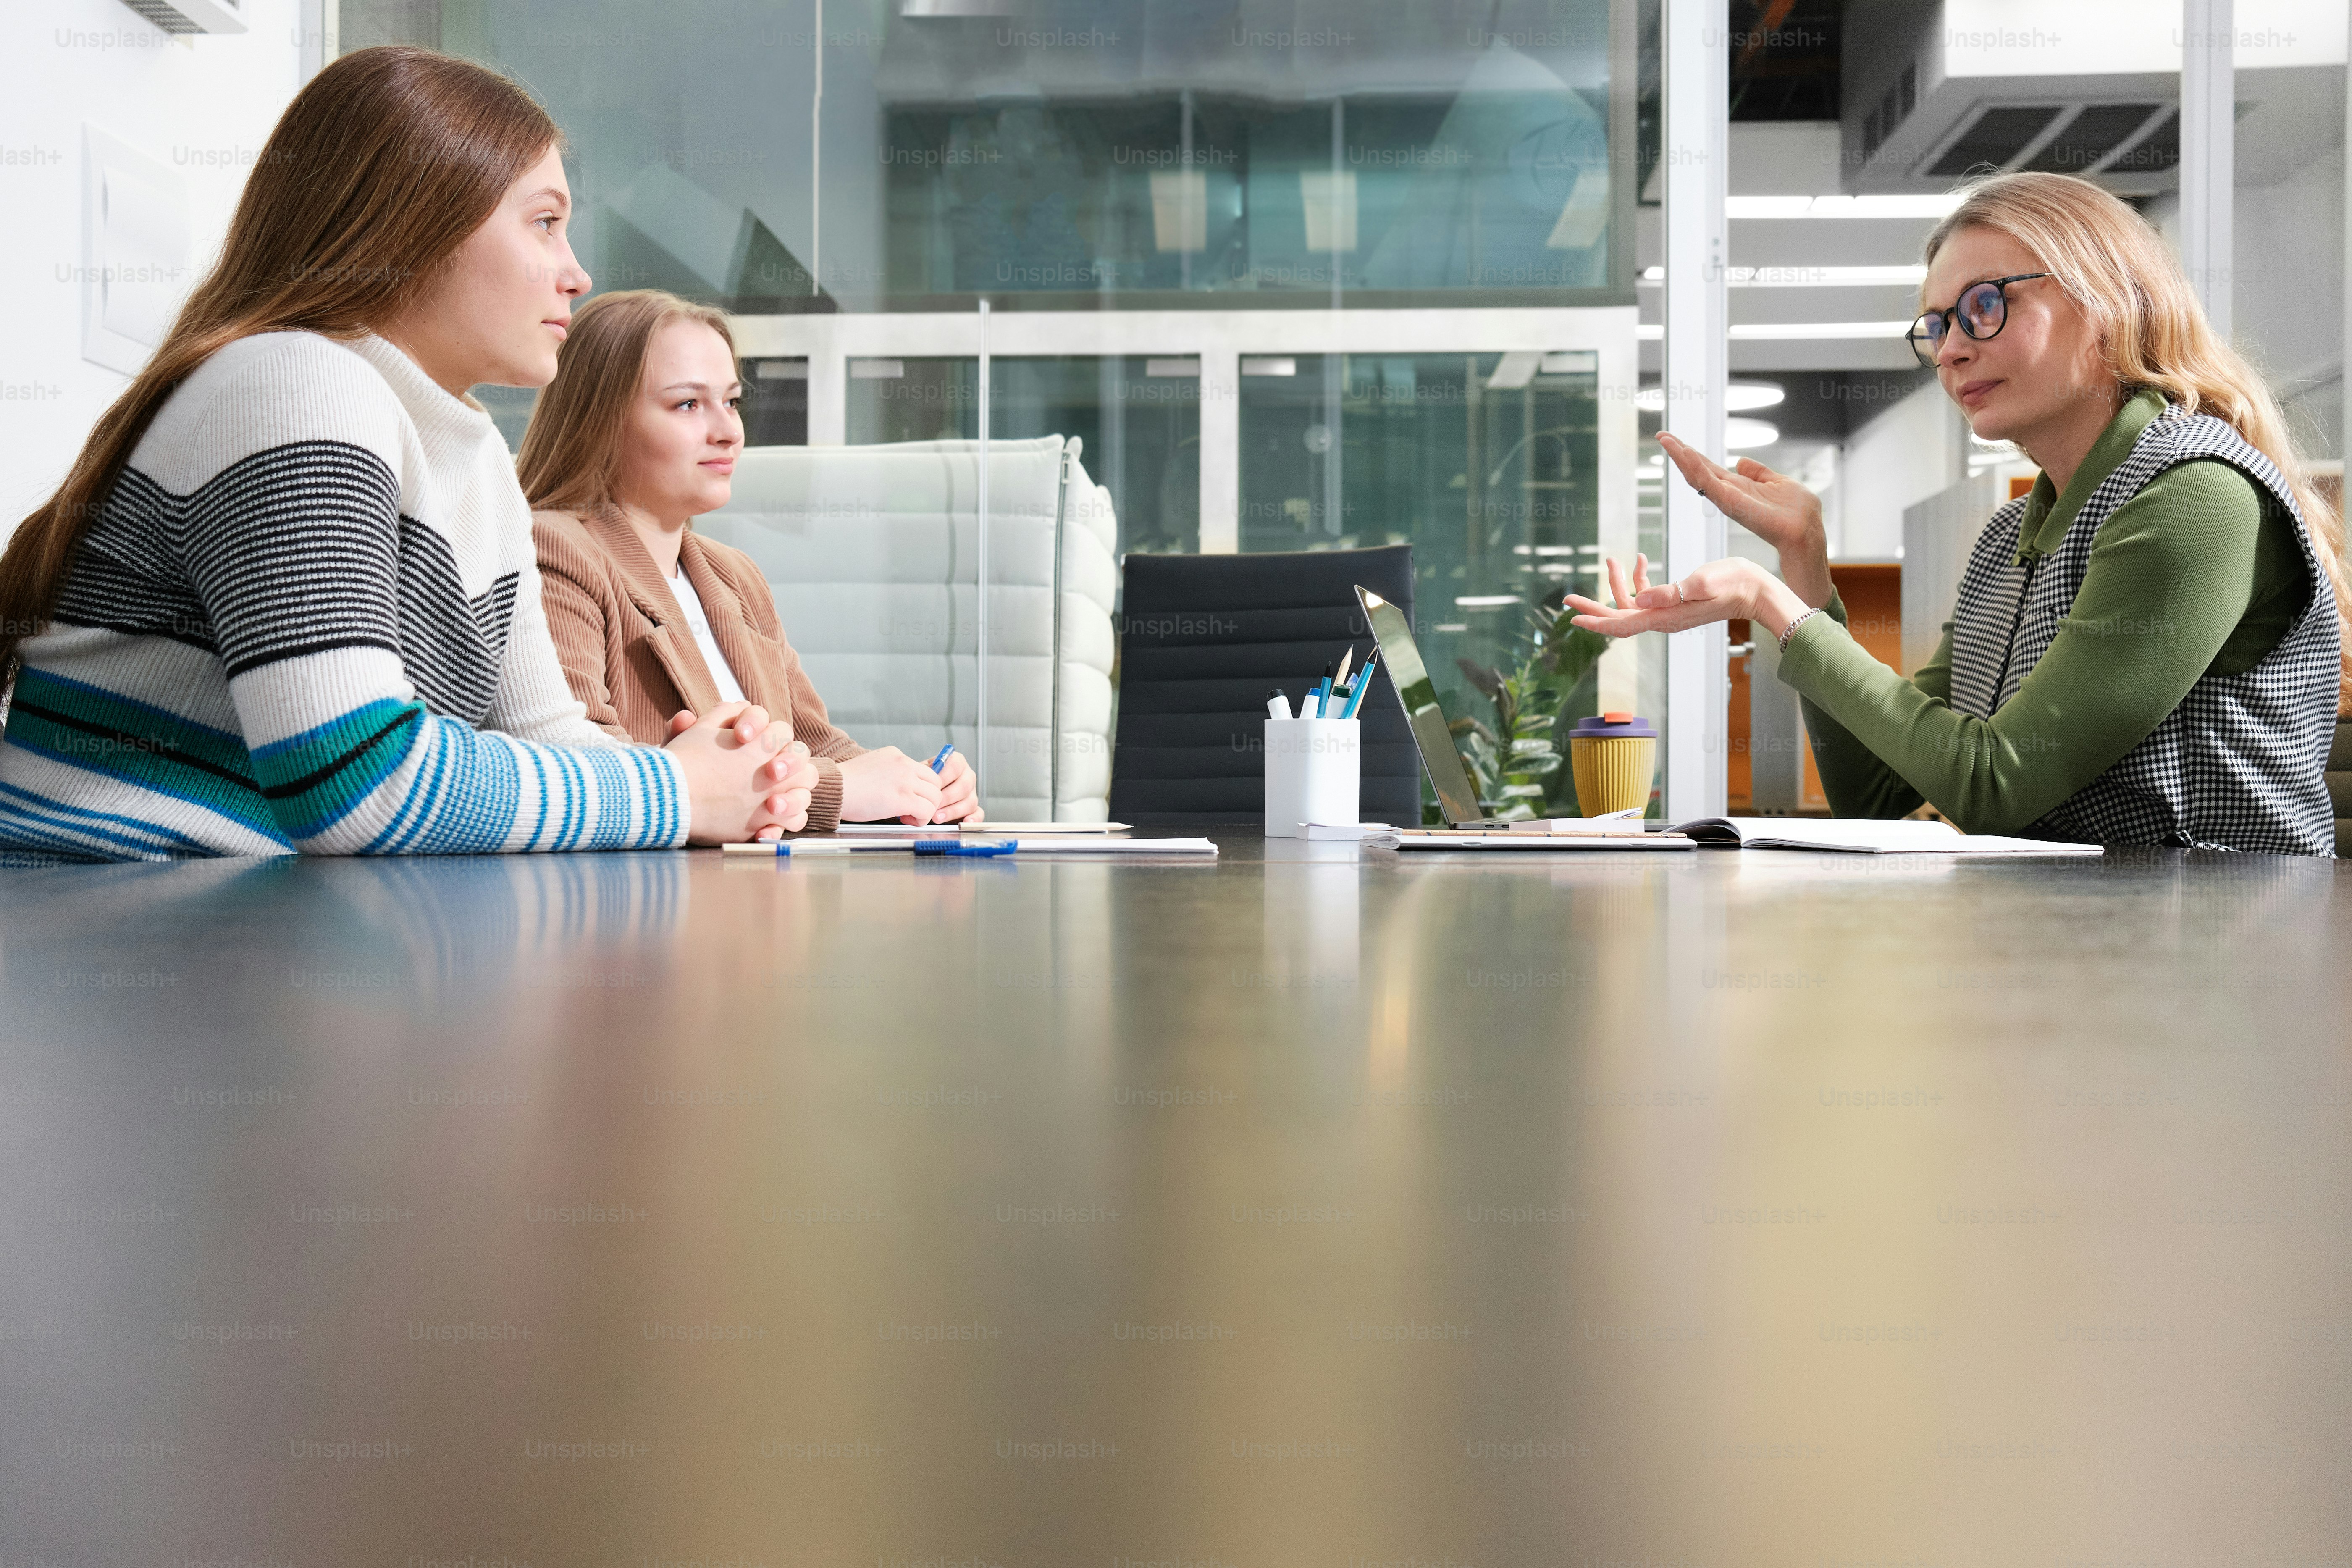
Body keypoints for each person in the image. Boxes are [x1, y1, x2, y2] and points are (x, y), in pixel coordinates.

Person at [0, 47, 816, 860]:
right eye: (544, 223)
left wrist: (730, 777)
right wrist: (675, 791)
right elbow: (357, 778)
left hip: (236, 934)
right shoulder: (294, 383)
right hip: (101, 929)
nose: (577, 272)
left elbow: (548, 735)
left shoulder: (477, 458)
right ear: (419, 224)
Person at [1569, 171, 2347, 855]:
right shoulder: (2012, 537)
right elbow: (1873, 791)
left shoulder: (2195, 494)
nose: (1949, 350)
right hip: (2080, 950)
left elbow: (1994, 783)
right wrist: (1803, 565)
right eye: (1938, 326)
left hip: (2227, 958)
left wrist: (1770, 607)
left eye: (1983, 306)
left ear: (2107, 302)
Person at [519, 290, 983, 832]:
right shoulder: (553, 552)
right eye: (688, 404)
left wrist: (920, 789)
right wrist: (842, 790)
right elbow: (587, 775)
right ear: (601, 421)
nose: (729, 431)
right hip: (636, 907)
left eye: (732, 401)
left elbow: (820, 745)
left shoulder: (733, 576)